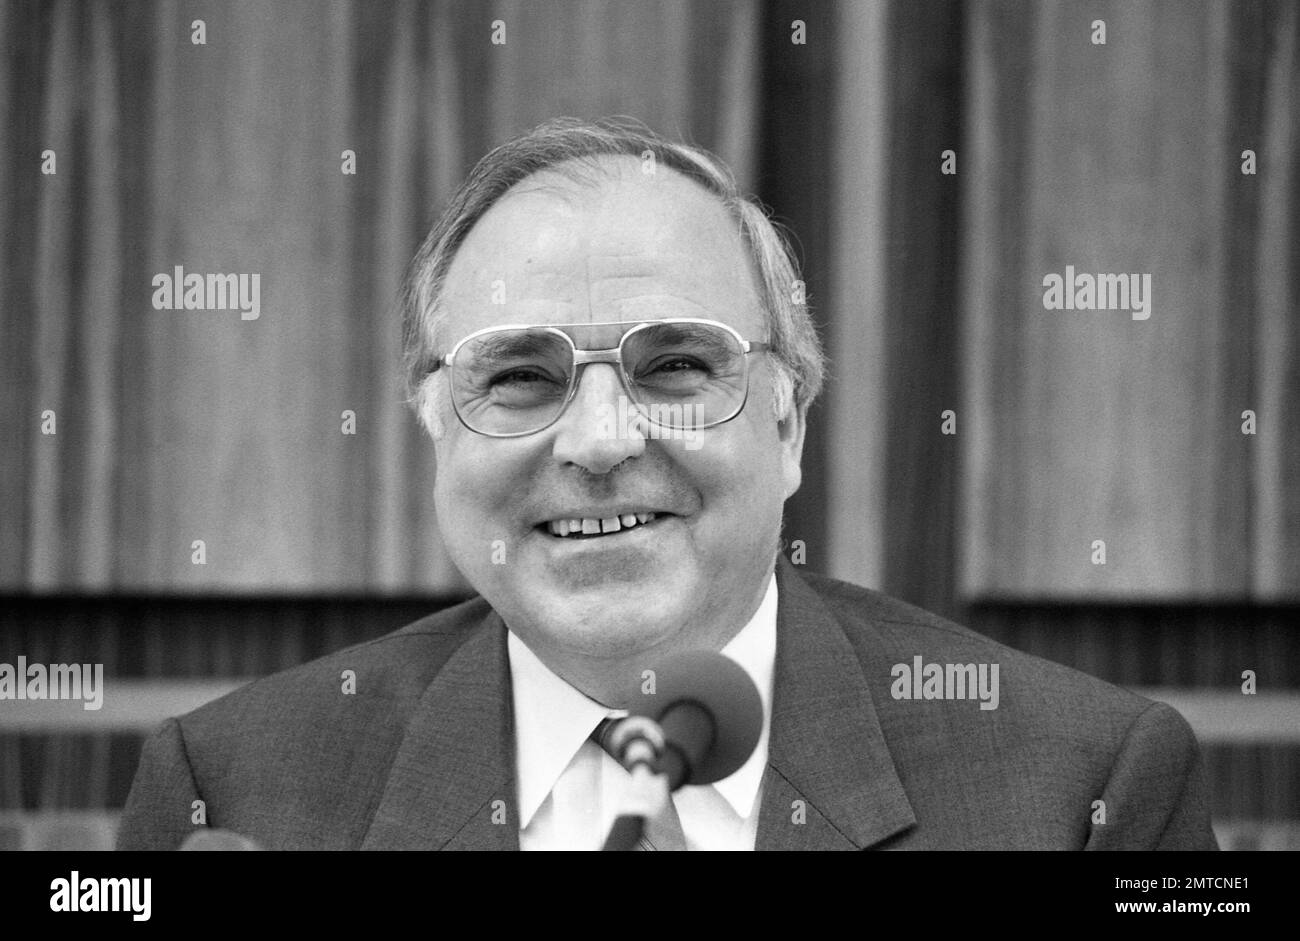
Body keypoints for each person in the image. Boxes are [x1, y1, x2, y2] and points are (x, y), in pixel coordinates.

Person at [117, 118, 1217, 851]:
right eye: (517, 374)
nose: (597, 439)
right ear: (432, 434)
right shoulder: (233, 788)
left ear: (788, 423)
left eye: (677, 366)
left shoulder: (1086, 790)